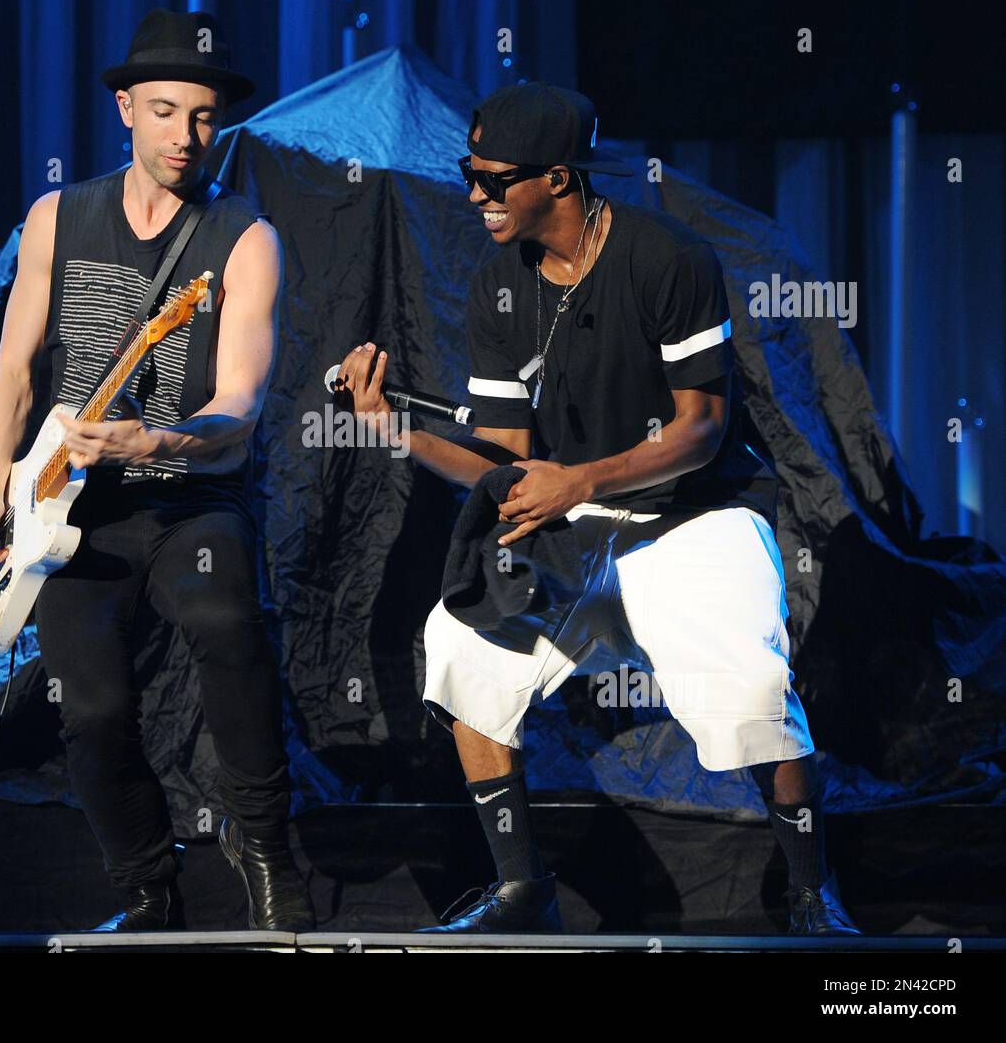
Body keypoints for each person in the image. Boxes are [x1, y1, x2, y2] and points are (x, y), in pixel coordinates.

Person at [335, 83, 859, 936]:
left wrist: (580, 480)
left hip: (693, 510)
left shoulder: (668, 259)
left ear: (560, 179)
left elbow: (702, 428)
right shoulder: (497, 286)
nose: (476, 193)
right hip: (575, 523)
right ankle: (521, 889)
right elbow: (504, 455)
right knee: (462, 646)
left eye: (495, 178)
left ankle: (810, 896)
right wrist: (394, 430)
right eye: (470, 174)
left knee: (753, 688)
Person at [0, 9, 314, 933]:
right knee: (93, 712)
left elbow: (239, 405)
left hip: (192, 494)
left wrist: (155, 442)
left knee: (225, 622)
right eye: (163, 112)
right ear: (125, 108)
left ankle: (265, 844)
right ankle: (147, 887)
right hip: (68, 505)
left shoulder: (244, 238)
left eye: (202, 118)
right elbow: (13, 366)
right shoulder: (57, 217)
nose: (185, 138)